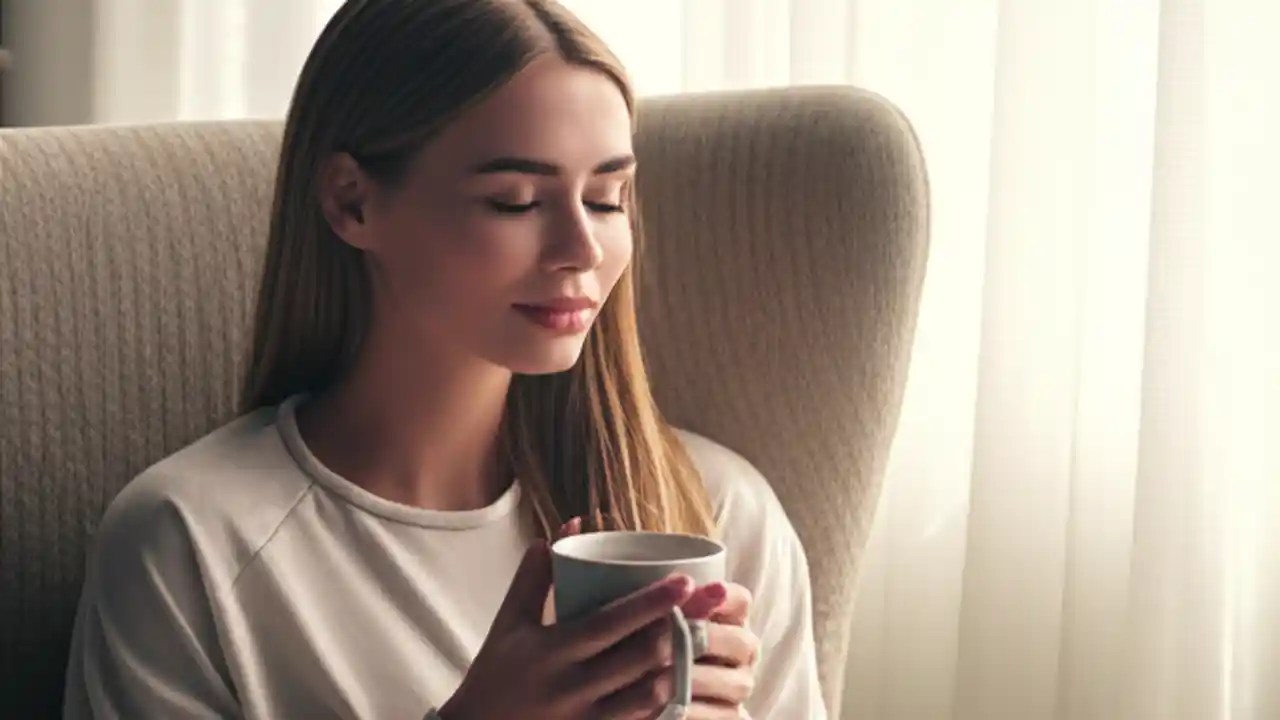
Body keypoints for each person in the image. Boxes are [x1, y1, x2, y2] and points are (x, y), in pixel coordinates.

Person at [62, 1, 827, 718]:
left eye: (606, 198)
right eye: (515, 201)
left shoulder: (715, 516)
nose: (582, 251)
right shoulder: (187, 545)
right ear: (352, 203)